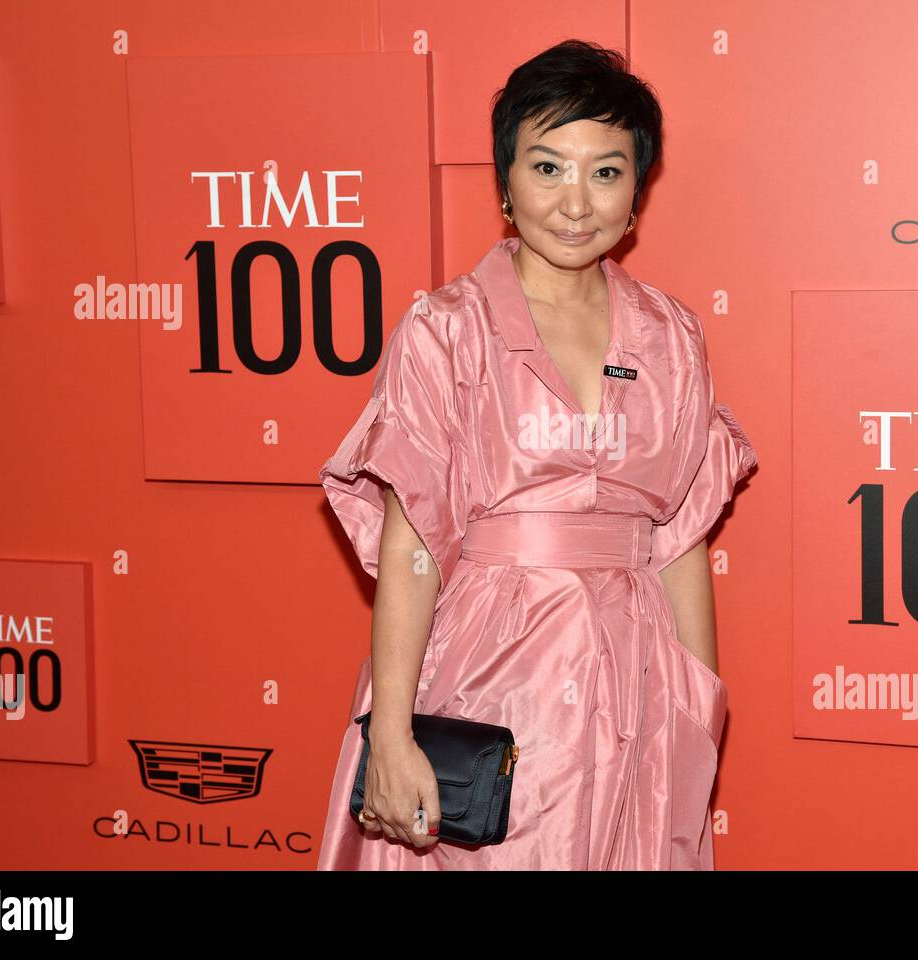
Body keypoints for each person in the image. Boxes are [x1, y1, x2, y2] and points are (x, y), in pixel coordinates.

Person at [315, 39, 757, 870]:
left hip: (637, 686)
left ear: (637, 189)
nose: (575, 201)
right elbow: (412, 546)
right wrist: (396, 734)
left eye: (606, 171)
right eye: (548, 167)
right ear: (506, 183)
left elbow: (682, 540)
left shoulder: (672, 335)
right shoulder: (446, 329)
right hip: (485, 673)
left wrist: (700, 716)